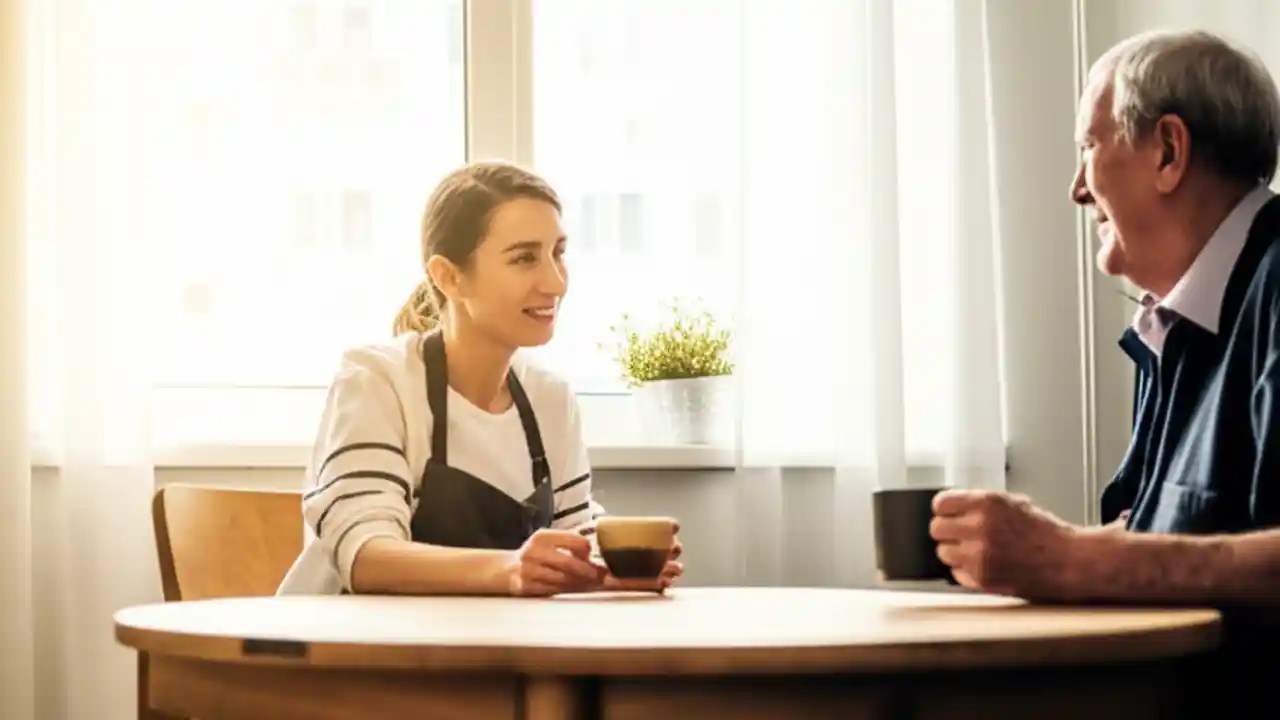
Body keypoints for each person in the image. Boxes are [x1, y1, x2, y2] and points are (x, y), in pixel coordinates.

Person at [929, 28, 1280, 708]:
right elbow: (1179, 530)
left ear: (1169, 153)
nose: (1075, 190)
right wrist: (1022, 550)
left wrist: (1069, 558)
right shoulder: (1176, 321)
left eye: (1088, 147)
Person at [277, 161, 683, 596]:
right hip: (346, 654)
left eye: (558, 253)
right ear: (448, 276)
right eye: (525, 258)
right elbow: (366, 559)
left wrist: (610, 570)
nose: (556, 281)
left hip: (475, 651)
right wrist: (511, 570)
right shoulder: (377, 380)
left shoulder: (550, 398)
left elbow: (575, 534)